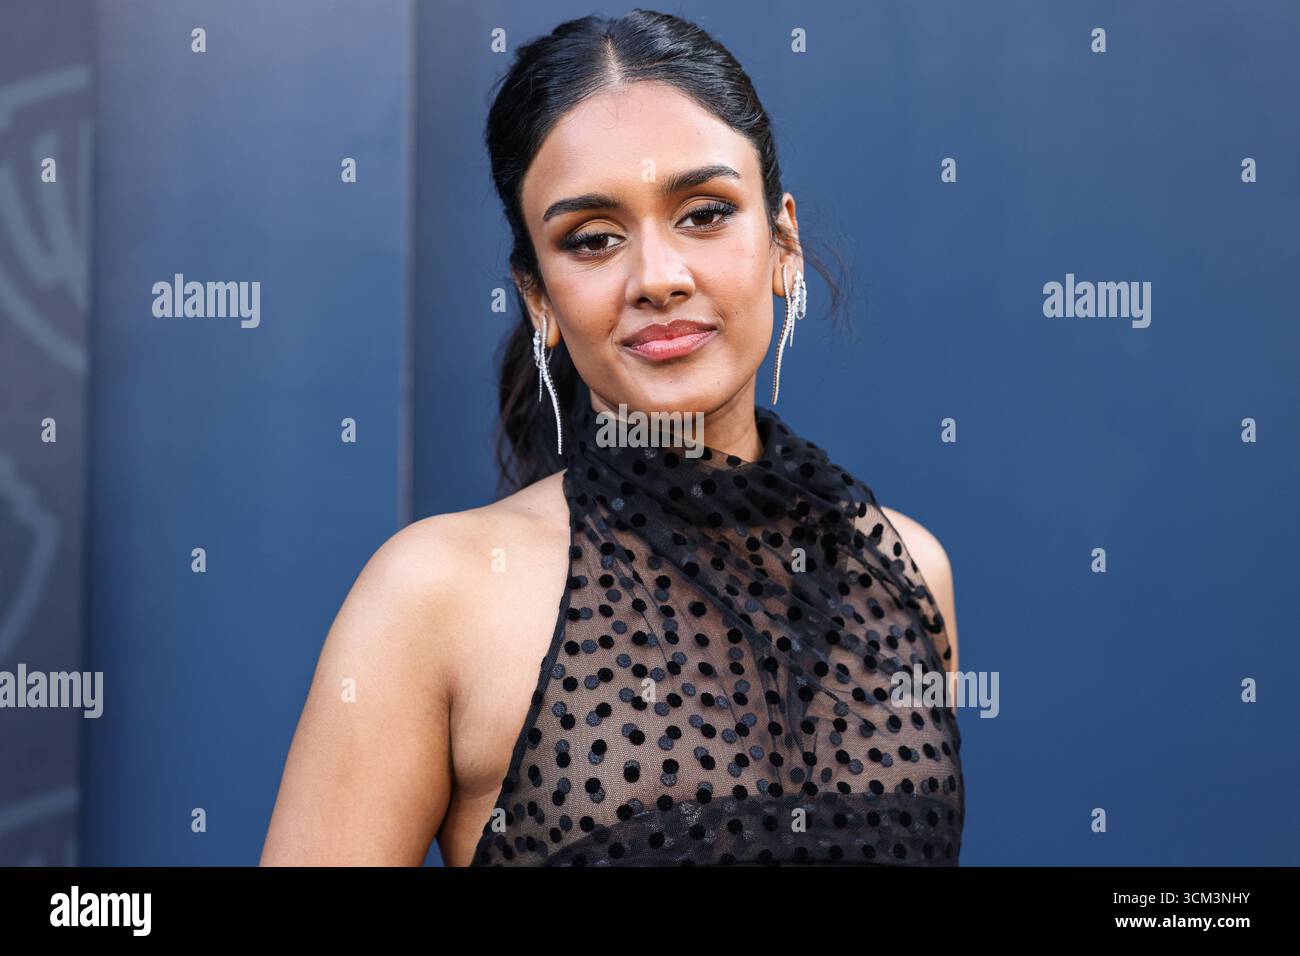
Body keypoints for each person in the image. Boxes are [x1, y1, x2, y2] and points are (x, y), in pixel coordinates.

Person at [261, 8, 963, 867]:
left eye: (705, 214)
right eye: (593, 239)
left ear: (782, 241)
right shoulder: (435, 599)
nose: (659, 278)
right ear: (539, 298)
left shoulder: (905, 573)